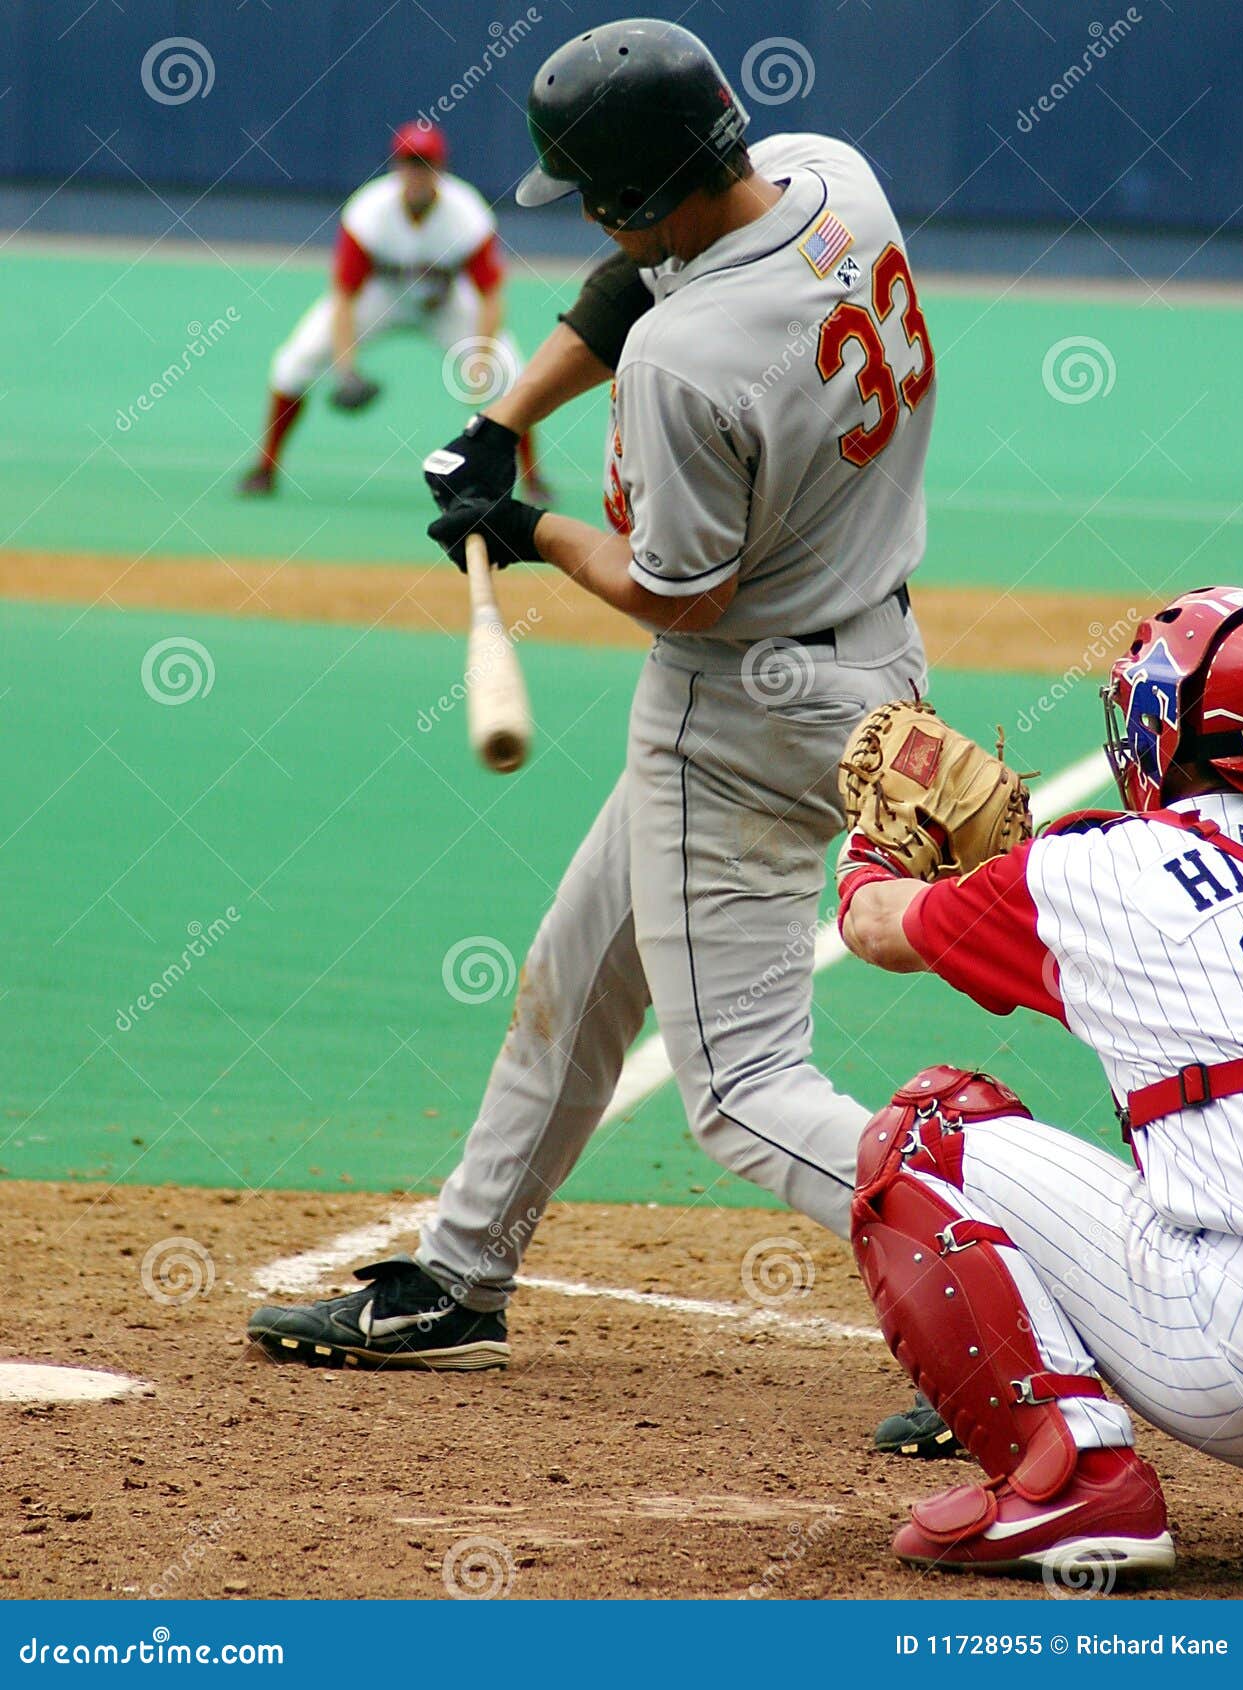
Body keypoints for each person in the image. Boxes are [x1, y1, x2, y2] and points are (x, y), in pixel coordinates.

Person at [249, 19, 935, 1372]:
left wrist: (525, 530)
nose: (599, 221)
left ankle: (1016, 1278)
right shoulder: (832, 178)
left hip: (736, 712)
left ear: (631, 197)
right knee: (580, 964)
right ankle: (461, 1271)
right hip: (871, 659)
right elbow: (645, 274)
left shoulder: (693, 362)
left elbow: (681, 591)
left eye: (601, 198)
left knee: (741, 1093)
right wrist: (509, 417)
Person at [836, 586, 1243, 1578]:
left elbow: (876, 927)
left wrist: (875, 851)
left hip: (1236, 1349)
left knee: (928, 1127)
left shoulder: (1092, 869)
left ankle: (1074, 1482)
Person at [237, 122, 545, 497]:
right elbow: (345, 296)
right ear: (396, 167)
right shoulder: (368, 212)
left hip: (444, 302)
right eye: (409, 162)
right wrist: (346, 367)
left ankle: (533, 479)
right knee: (293, 363)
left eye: (425, 163)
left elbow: (491, 296)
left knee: (510, 372)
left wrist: (480, 358)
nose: (417, 172)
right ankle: (264, 469)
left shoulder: (467, 213)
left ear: (440, 168)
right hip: (380, 298)